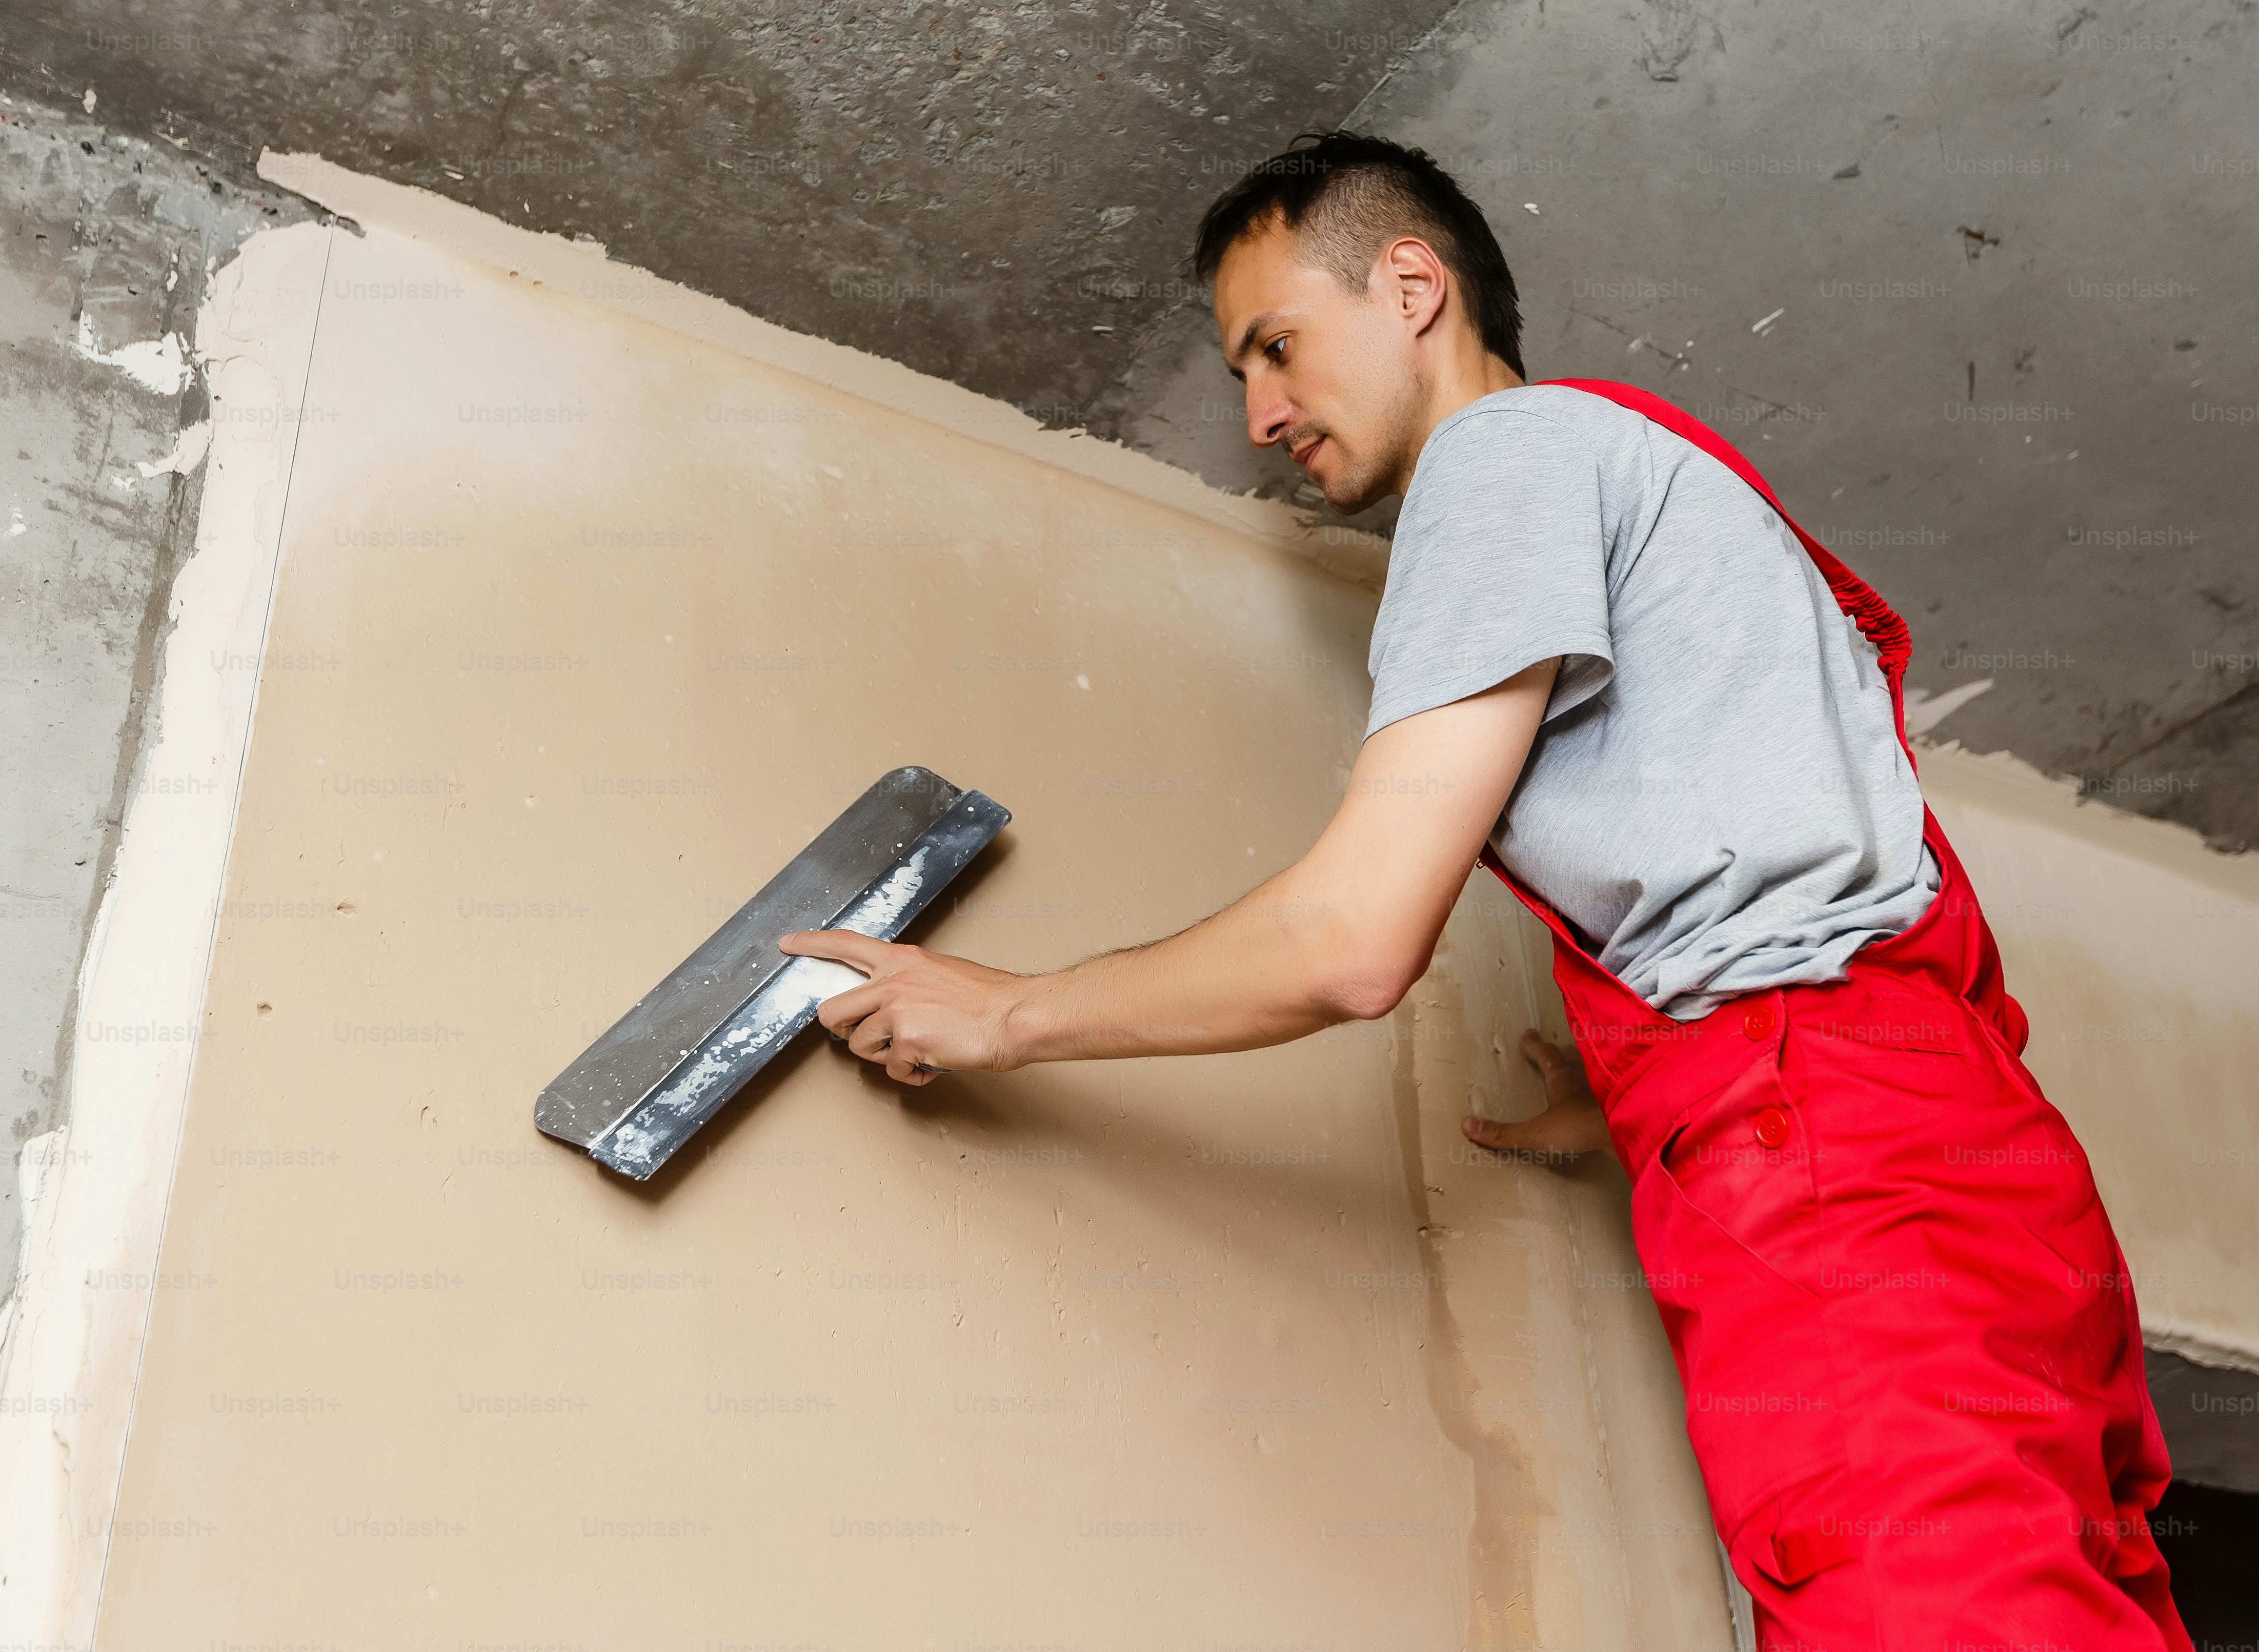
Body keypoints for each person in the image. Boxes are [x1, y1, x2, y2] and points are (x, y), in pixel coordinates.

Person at [778, 130, 2186, 1649]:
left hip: (1840, 1153)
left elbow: (1349, 942)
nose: (1257, 415)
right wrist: (1660, 1075)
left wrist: (1006, 1015)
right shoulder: (1650, 485)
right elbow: (1791, 868)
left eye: (1274, 348)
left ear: (1408, 286)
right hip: (1970, 1166)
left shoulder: (1506, 460)